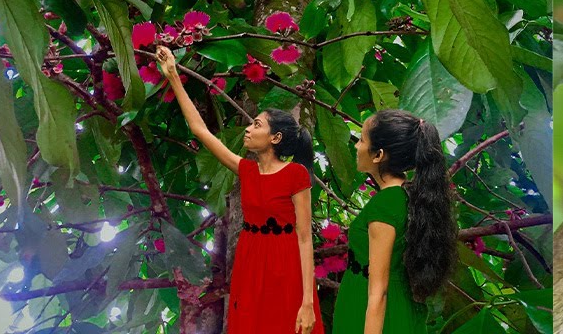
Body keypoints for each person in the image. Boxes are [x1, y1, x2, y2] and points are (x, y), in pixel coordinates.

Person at [156, 46, 325, 334]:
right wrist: (173, 75)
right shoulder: (247, 170)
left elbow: (305, 237)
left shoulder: (295, 174)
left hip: (285, 262)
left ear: (275, 138)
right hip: (250, 259)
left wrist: (308, 302)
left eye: (256, 124)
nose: (248, 128)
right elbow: (200, 130)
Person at [333, 109, 457, 334]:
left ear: (378, 155)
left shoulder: (386, 205)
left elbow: (378, 291)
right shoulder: (408, 196)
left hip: (373, 312)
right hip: (393, 303)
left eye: (362, 140)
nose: (357, 146)